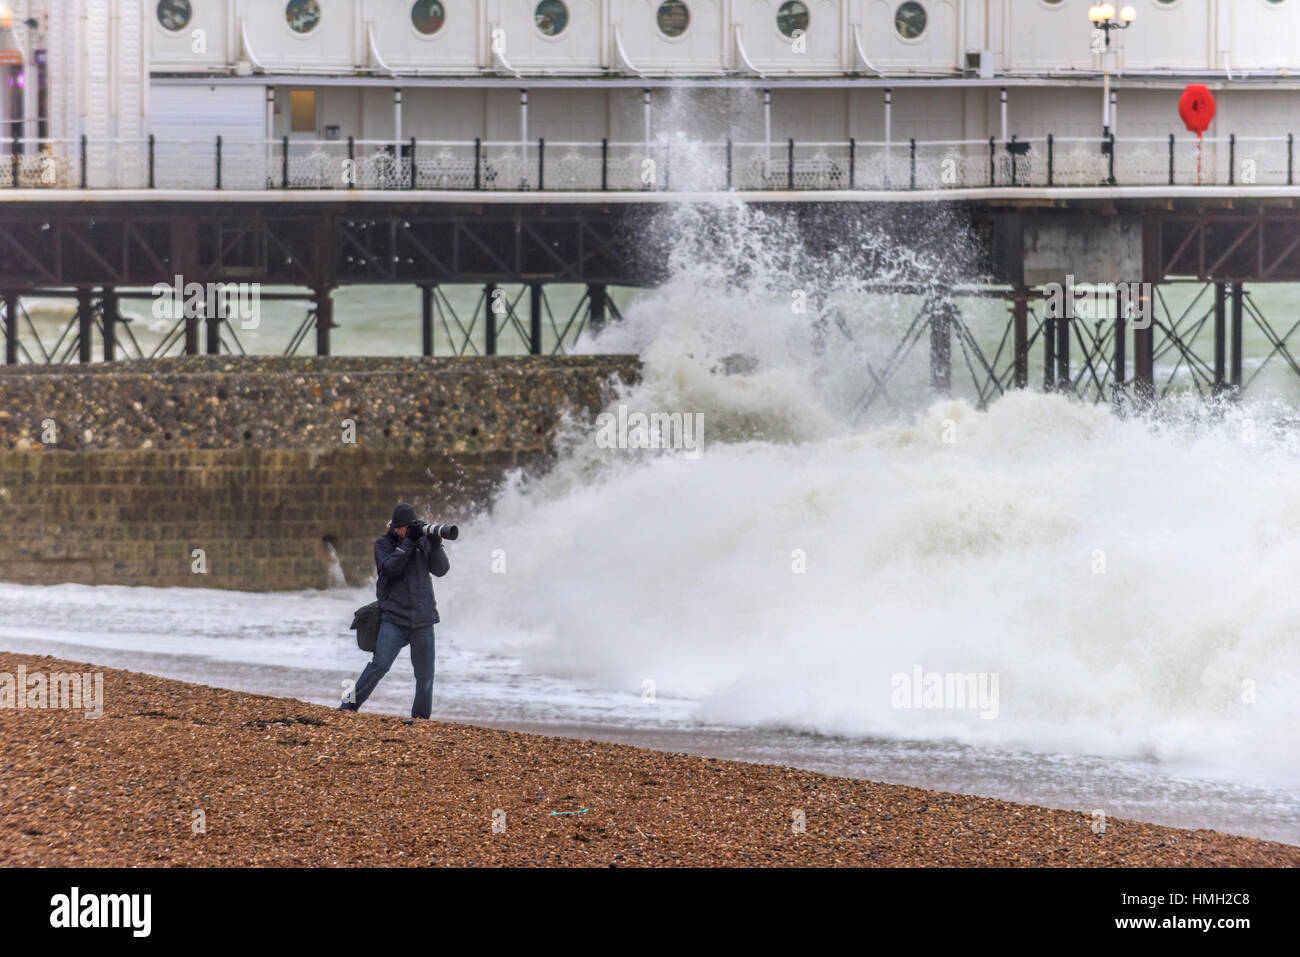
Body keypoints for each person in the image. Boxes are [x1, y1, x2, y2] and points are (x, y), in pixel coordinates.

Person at [339, 503, 450, 718]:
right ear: (398, 528)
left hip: (423, 619)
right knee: (379, 665)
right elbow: (390, 568)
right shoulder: (383, 544)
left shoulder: (422, 542)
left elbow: (441, 570)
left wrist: (435, 545)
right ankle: (348, 706)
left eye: (411, 528)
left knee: (425, 674)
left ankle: (420, 719)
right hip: (394, 618)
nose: (408, 531)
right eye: (405, 528)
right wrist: (409, 542)